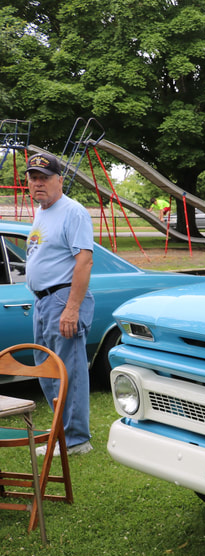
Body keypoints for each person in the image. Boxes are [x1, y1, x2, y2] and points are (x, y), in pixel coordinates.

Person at [24, 151, 94, 456]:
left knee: (69, 371)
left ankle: (76, 440)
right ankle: (60, 433)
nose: (39, 183)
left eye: (45, 178)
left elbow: (84, 261)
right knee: (48, 369)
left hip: (63, 298)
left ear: (60, 180)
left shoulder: (73, 212)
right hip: (43, 301)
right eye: (33, 178)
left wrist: (72, 308)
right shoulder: (42, 211)